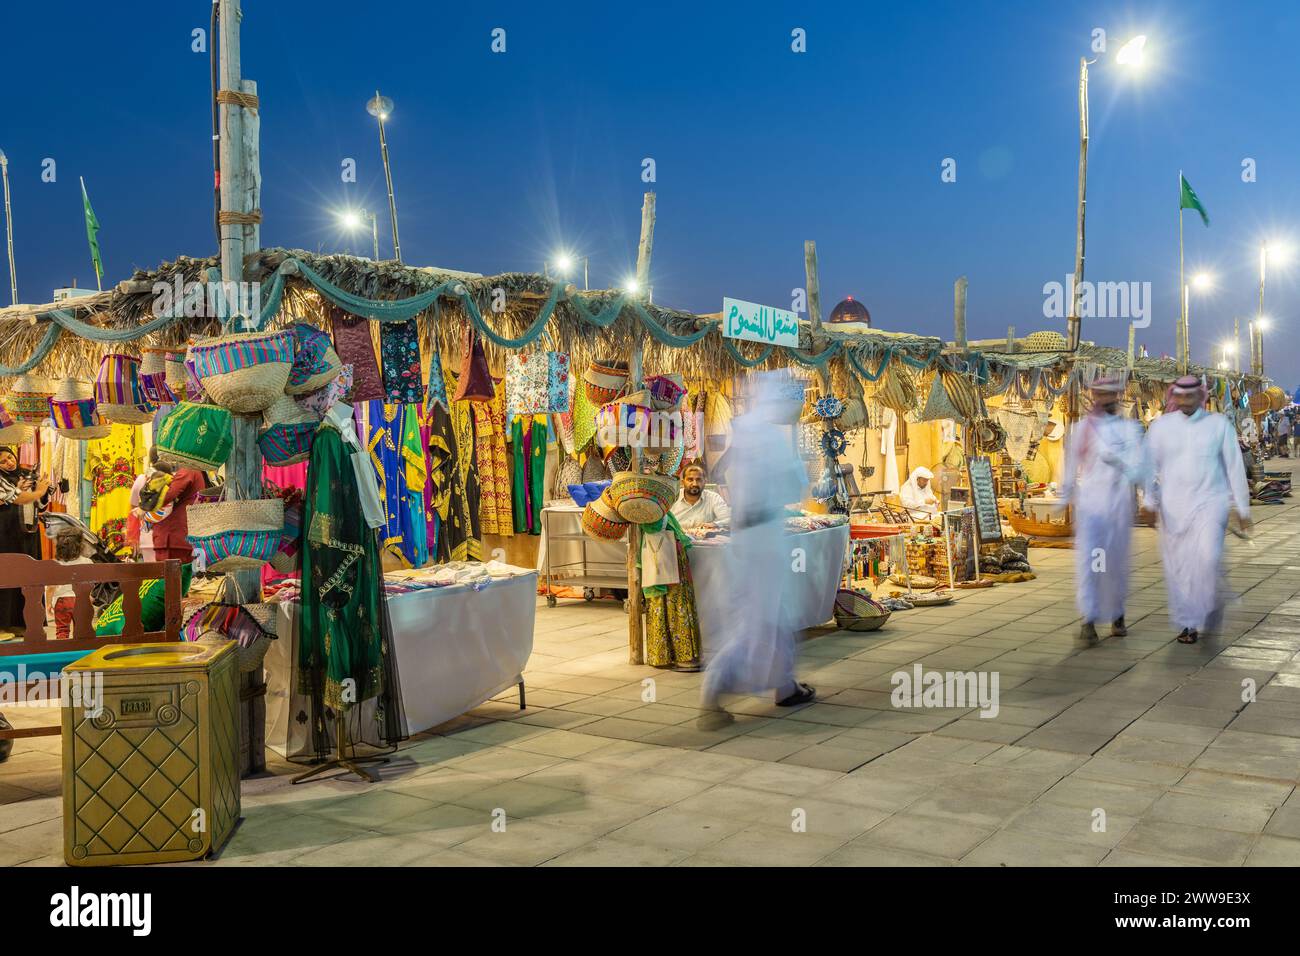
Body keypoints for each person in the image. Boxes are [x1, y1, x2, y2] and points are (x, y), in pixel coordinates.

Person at [699, 371, 815, 729]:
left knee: (774, 616)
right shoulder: (767, 436)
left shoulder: (747, 432)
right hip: (763, 539)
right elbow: (795, 485)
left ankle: (784, 686)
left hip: (752, 537)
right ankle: (712, 696)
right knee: (757, 622)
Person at [1141, 375, 1252, 644]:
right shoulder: (1161, 427)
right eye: (1181, 396)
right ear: (1175, 397)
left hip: (1211, 504)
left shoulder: (1218, 425)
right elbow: (1148, 466)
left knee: (1207, 559)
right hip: (1173, 508)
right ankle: (1188, 623)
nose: (1185, 401)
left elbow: (1234, 465)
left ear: (1200, 396)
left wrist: (1243, 507)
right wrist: (1148, 503)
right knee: (1179, 568)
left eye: (1191, 396)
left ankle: (1209, 600)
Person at [1057, 377, 1144, 642]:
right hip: (1091, 509)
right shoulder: (1082, 429)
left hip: (1118, 509)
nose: (1105, 400)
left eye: (1109, 395)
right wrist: (1064, 498)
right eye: (1100, 395)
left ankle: (1117, 615)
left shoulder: (1130, 430)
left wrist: (1119, 461)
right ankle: (1089, 619)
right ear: (1094, 396)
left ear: (1117, 397)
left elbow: (1139, 468)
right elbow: (1070, 466)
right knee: (1091, 564)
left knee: (1115, 566)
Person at [0, 444, 51, 630]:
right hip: (5, 533)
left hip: (28, 532)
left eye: (10, 457)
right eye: (3, 461)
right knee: (10, 574)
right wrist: (26, 491)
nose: (9, 463)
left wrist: (43, 493)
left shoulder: (28, 473)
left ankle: (31, 622)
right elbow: (15, 498)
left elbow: (41, 504)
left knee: (30, 573)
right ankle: (7, 623)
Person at [146, 456, 207, 564]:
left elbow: (168, 495)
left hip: (173, 536)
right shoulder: (197, 473)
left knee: (172, 577)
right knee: (186, 577)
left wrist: (145, 505)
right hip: (184, 536)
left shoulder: (188, 470)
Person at [47, 531, 92, 639]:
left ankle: (62, 653)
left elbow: (50, 588)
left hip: (62, 601)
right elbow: (90, 584)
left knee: (62, 630)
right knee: (81, 629)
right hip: (81, 600)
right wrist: (89, 597)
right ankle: (80, 650)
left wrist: (48, 603)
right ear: (80, 546)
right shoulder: (87, 562)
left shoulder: (55, 564)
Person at [670, 463, 731, 528]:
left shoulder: (714, 498)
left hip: (705, 537)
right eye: (690, 479)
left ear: (705, 481)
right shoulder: (672, 498)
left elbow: (728, 519)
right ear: (683, 482)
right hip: (676, 537)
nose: (694, 484)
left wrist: (715, 524)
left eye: (699, 480)